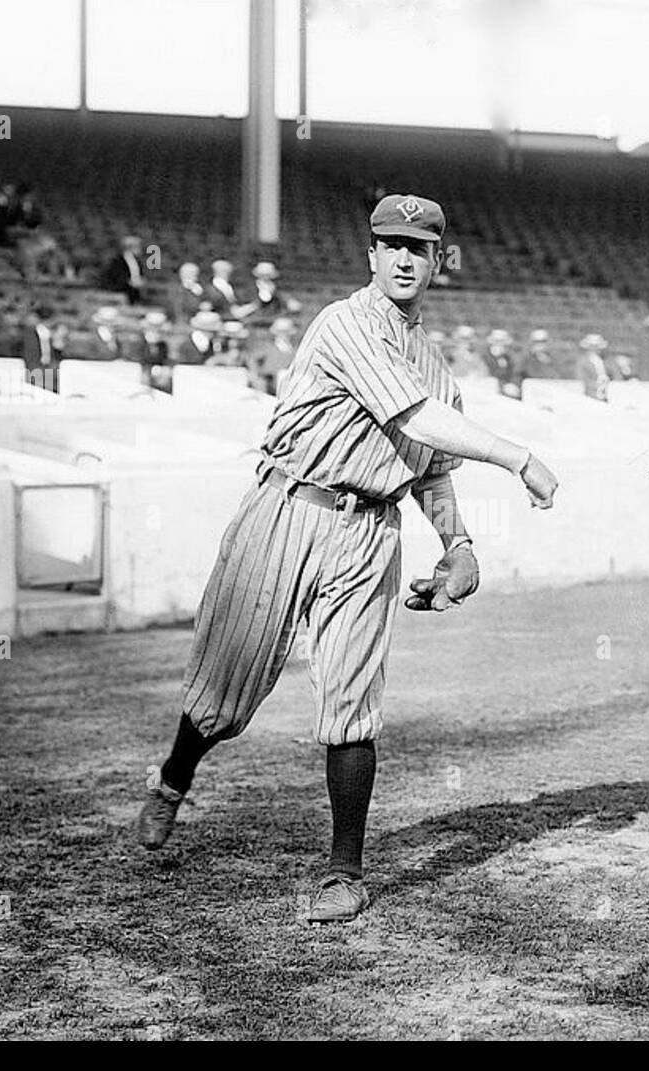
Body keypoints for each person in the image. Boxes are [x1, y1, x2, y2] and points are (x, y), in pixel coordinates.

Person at [132, 192, 559, 925]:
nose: (402, 258)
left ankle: (343, 872)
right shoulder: (345, 322)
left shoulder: (434, 363)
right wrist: (517, 458)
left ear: (436, 263)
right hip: (289, 506)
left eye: (418, 248)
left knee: (352, 703)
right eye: (389, 244)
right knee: (225, 693)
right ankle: (174, 779)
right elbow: (414, 417)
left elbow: (428, 465)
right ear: (370, 255)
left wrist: (459, 545)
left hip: (369, 532)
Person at [234, 260, 302, 329]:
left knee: (283, 324)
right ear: (258, 275)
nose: (265, 277)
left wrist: (291, 303)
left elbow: (288, 302)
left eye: (268, 275)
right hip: (253, 319)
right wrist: (255, 304)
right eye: (262, 275)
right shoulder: (248, 290)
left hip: (273, 319)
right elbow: (240, 309)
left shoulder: (277, 290)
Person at [21, 302, 66, 393]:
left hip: (48, 371)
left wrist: (58, 343)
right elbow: (31, 360)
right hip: (36, 372)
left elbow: (57, 356)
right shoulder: (30, 334)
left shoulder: (52, 335)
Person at [250, 316, 297, 397]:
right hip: (269, 385)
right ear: (276, 333)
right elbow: (252, 360)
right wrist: (255, 377)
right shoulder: (267, 347)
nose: (283, 335)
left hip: (290, 385)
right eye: (280, 332)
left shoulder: (295, 350)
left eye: (286, 332)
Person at [102, 236, 147, 304]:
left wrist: (141, 281)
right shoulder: (117, 261)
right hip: (120, 292)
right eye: (138, 247)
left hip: (134, 293)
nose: (140, 249)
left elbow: (139, 274)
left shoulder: (138, 261)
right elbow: (116, 277)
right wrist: (130, 282)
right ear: (130, 247)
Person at [484, 328, 519, 399]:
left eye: (502, 341)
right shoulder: (485, 358)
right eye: (496, 341)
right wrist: (502, 386)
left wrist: (513, 384)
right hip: (490, 392)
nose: (499, 344)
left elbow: (512, 375)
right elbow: (487, 376)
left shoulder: (508, 359)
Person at [576, 333, 610, 401]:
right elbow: (582, 379)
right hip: (590, 396)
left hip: (602, 394)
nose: (595, 349)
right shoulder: (583, 362)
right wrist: (596, 386)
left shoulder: (602, 361)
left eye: (597, 347)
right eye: (592, 347)